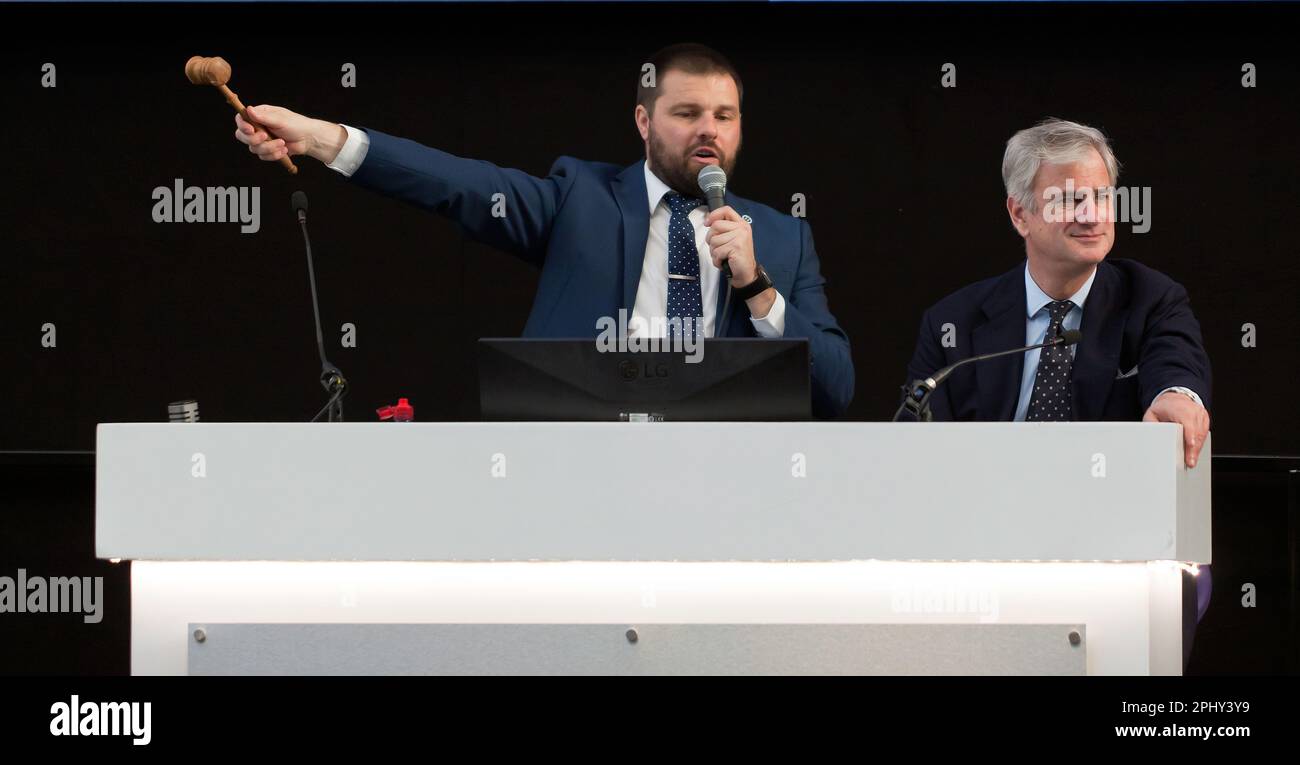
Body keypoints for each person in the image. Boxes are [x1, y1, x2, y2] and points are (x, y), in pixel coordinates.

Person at [234, 43, 854, 418]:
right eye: (686, 113)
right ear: (644, 121)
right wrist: (322, 139)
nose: (708, 131)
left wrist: (758, 289)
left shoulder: (779, 238)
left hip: (726, 482)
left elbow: (836, 389)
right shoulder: (581, 200)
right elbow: (460, 185)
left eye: (724, 116)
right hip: (580, 466)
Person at [902, 117, 1213, 664]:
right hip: (986, 542)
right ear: (1019, 213)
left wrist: (1179, 397)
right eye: (1069, 200)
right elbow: (913, 445)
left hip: (1115, 543)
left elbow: (1176, 366)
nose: (1092, 216)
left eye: (1100, 197)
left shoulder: (1151, 298)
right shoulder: (955, 321)